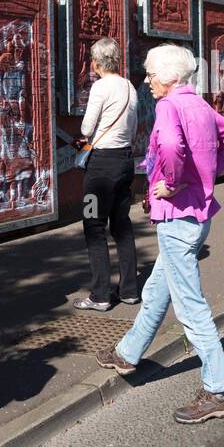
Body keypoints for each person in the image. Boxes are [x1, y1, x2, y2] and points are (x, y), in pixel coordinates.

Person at [96, 44, 224, 424]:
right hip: (198, 213)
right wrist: (203, 177)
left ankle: (218, 390)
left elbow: (173, 147)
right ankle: (128, 353)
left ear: (170, 77)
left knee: (191, 307)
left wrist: (175, 183)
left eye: (150, 74)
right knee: (156, 289)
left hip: (179, 215)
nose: (146, 81)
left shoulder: (169, 105)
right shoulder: (200, 103)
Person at [73, 37, 139, 311]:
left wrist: (89, 134)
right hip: (125, 160)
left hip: (101, 166)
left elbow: (87, 128)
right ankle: (130, 291)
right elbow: (134, 128)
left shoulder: (100, 87)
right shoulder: (130, 86)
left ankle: (100, 295)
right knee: (121, 224)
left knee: (94, 225)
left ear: (96, 63)